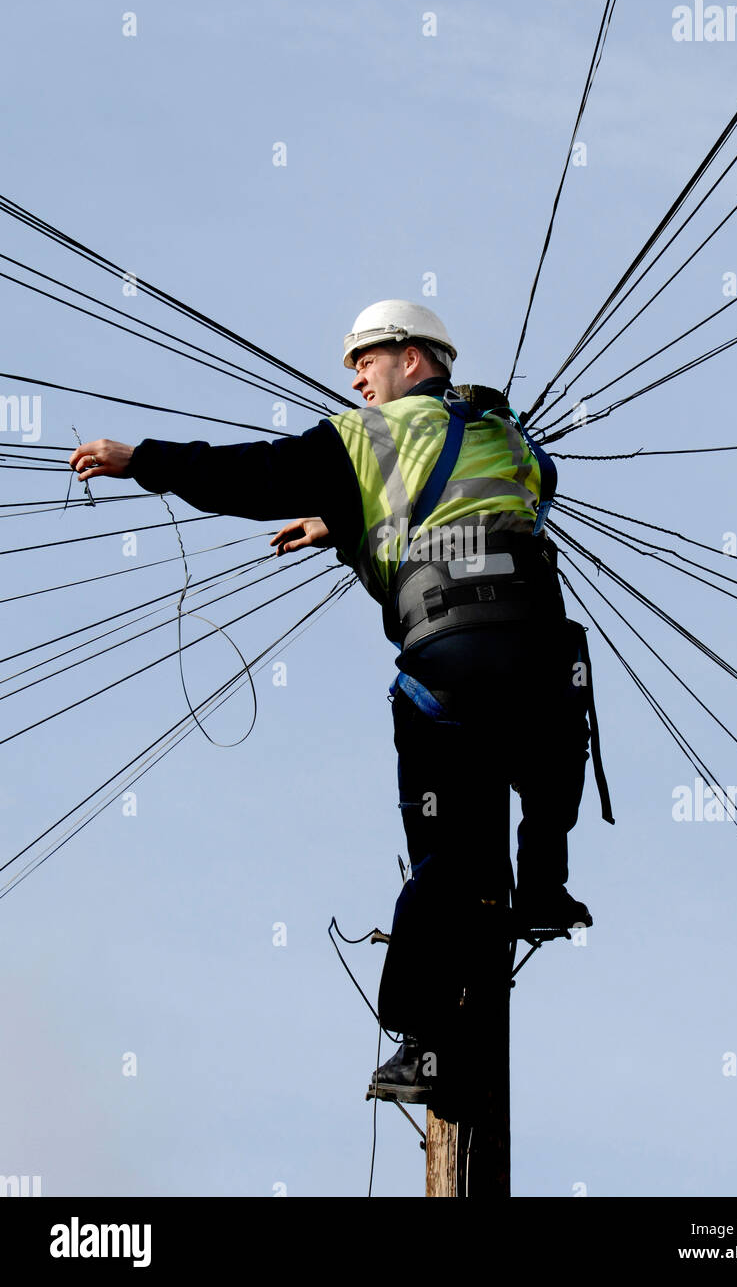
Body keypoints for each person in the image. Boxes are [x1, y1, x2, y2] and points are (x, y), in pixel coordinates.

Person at [69, 300, 610, 1104]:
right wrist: (346, 521)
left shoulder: (363, 436)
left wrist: (139, 458)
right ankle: (542, 887)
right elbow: (479, 501)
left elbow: (250, 475)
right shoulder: (511, 438)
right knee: (547, 755)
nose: (356, 377)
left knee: (446, 858)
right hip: (542, 653)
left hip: (448, 661)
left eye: (368, 359)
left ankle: (424, 1047)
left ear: (415, 361)